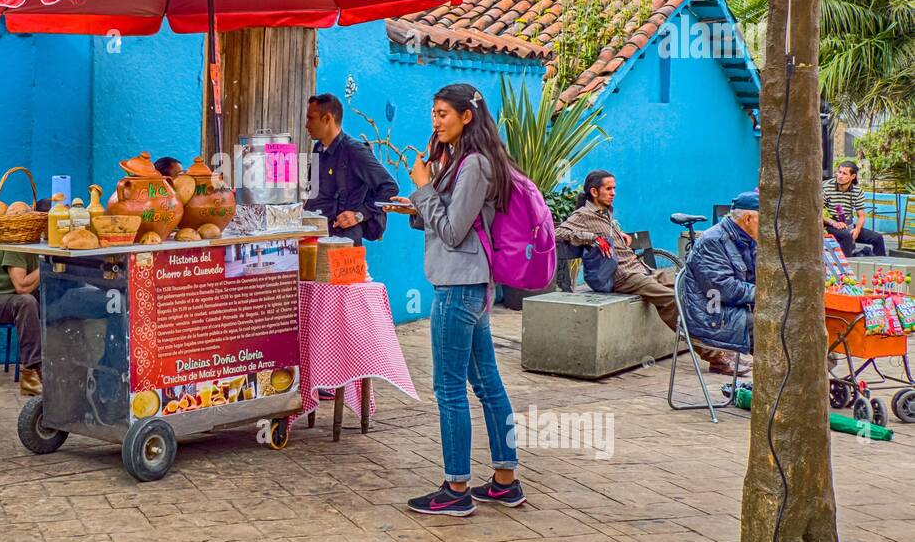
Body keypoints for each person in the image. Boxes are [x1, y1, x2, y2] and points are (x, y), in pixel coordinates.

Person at [386, 83, 524, 516]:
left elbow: (452, 231)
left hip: (458, 287)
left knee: (449, 389)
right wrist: (416, 205)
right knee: (486, 384)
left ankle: (456, 488)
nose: (435, 120)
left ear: (467, 116)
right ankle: (505, 481)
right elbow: (447, 221)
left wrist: (423, 187)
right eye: (433, 112)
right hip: (469, 284)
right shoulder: (465, 162)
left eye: (444, 113)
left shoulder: (476, 166)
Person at [555, 170, 739, 374]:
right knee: (671, 299)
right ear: (594, 191)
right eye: (609, 188)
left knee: (688, 289)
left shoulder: (605, 212)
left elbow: (606, 231)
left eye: (614, 188)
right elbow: (558, 232)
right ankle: (716, 359)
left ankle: (720, 346)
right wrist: (591, 238)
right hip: (622, 276)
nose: (613, 192)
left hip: (641, 269)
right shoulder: (583, 215)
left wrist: (619, 235)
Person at [0, 199, 50, 397]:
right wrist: (48, 265)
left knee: (61, 303)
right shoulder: (16, 243)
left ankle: (64, 368)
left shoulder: (45, 245)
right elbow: (22, 287)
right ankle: (31, 374)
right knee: (26, 302)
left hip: (14, 301)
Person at [303, 93, 398, 246]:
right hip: (317, 239)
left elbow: (389, 187)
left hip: (344, 245)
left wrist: (360, 214)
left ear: (327, 119)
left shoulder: (354, 151)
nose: (307, 125)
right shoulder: (318, 149)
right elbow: (313, 193)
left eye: (311, 118)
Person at [681, 191, 759, 355]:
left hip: (735, 310)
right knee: (777, 329)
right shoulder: (712, 241)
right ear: (748, 219)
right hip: (712, 317)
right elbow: (726, 289)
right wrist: (767, 294)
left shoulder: (747, 239)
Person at [823, 161, 887, 257]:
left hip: (847, 225)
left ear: (852, 176)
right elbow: (817, 213)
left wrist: (857, 229)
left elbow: (861, 215)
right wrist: (833, 223)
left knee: (878, 238)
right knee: (846, 236)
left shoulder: (857, 191)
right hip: (830, 225)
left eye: (844, 173)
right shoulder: (827, 187)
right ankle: (847, 266)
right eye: (839, 172)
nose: (840, 176)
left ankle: (880, 268)